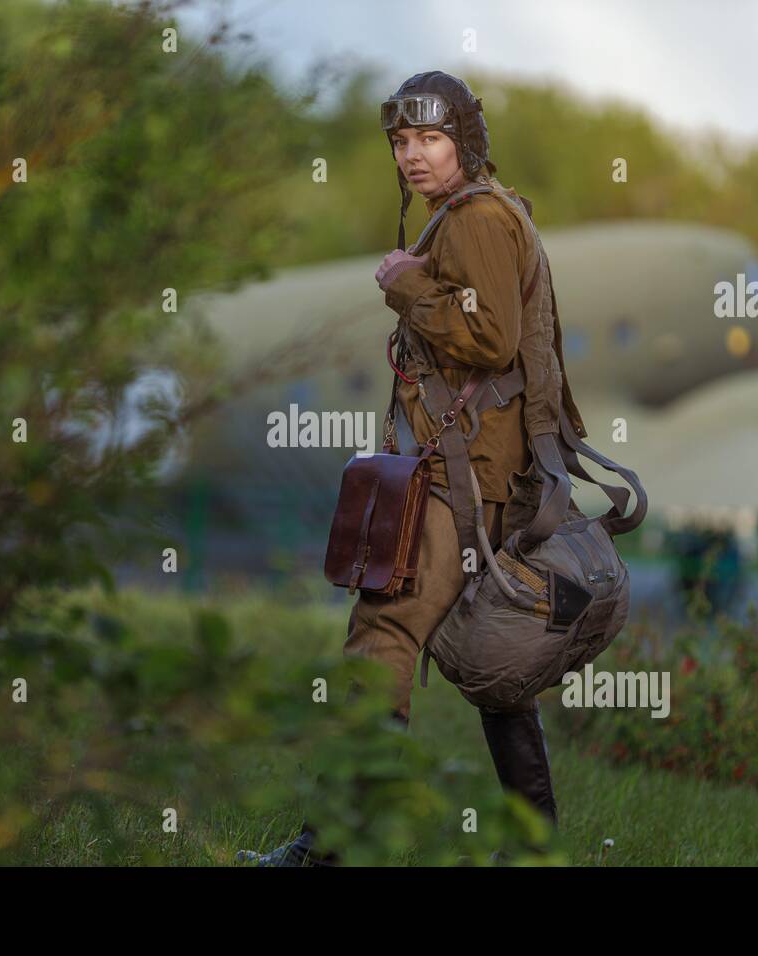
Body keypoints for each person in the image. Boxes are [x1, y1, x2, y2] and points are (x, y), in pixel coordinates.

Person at [239, 70, 573, 867]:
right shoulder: (481, 213)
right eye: (400, 142)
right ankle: (535, 852)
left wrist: (405, 283)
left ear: (464, 142)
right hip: (482, 478)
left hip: (461, 481)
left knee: (380, 636)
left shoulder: (476, 222)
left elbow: (489, 339)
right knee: (497, 670)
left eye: (429, 139)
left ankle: (335, 850)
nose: (413, 156)